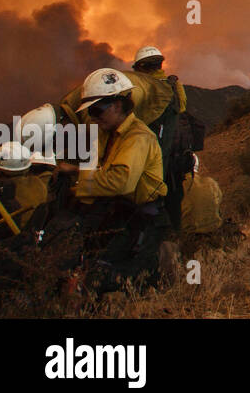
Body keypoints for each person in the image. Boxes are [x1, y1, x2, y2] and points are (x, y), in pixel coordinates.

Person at [54, 68, 169, 294]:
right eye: (90, 111)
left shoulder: (138, 137)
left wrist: (78, 180)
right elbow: (102, 171)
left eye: (97, 109)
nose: (93, 117)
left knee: (109, 278)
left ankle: (161, 262)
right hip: (118, 210)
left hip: (143, 216)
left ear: (118, 105)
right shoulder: (106, 132)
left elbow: (119, 181)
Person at [131, 46, 189, 234]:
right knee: (173, 198)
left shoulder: (141, 88)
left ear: (140, 67)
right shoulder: (174, 84)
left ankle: (149, 242)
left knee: (148, 198)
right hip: (175, 154)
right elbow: (181, 108)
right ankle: (173, 240)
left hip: (148, 155)